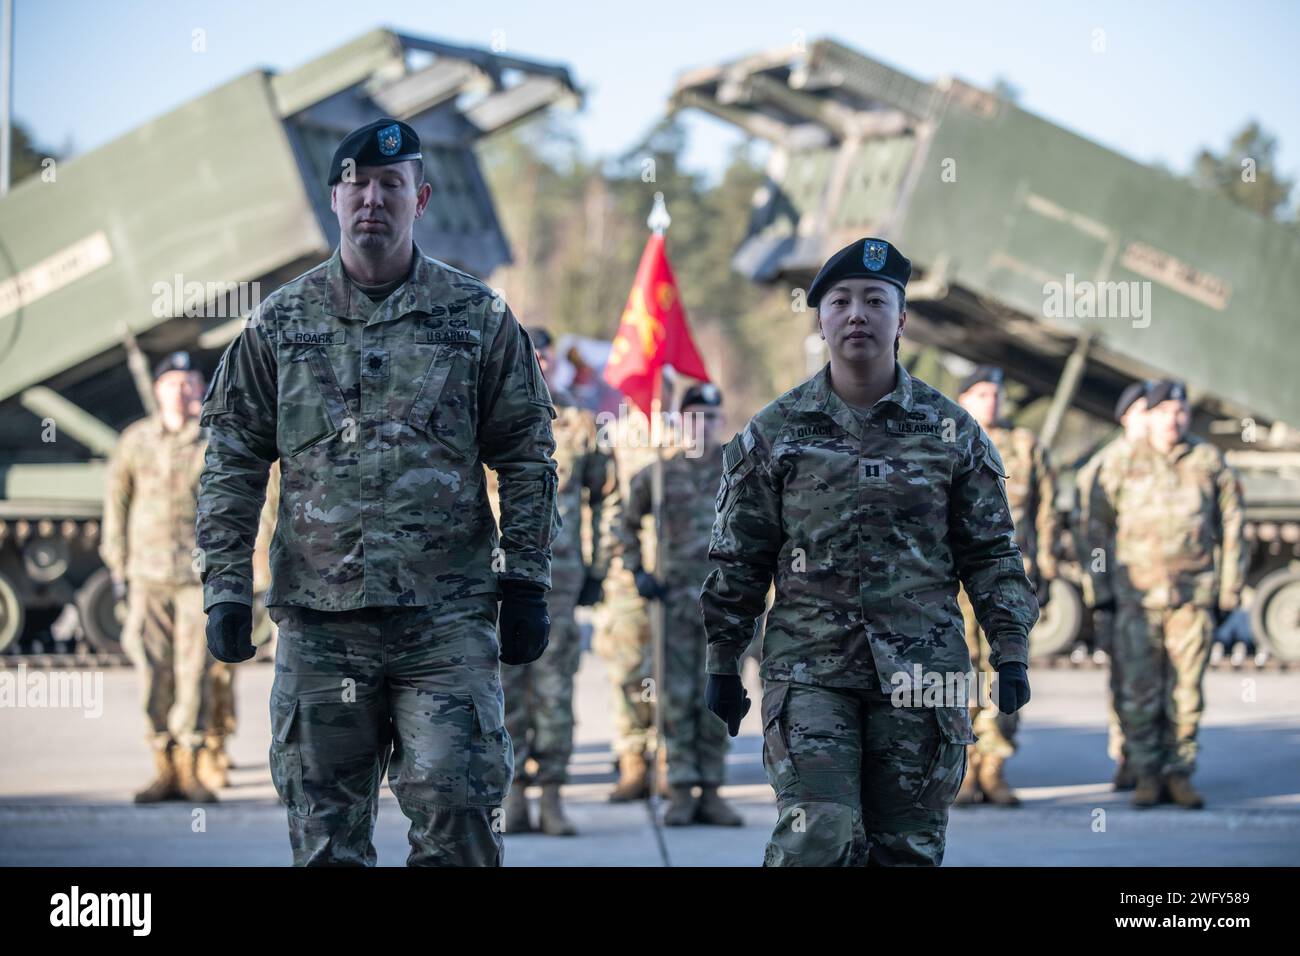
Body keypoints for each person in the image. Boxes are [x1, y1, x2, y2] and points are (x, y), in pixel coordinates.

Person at [196, 118, 559, 866]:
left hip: (446, 621)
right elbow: (232, 459)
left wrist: (527, 580)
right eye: (357, 184)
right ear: (333, 197)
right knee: (325, 836)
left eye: (391, 184)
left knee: (459, 819)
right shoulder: (280, 322)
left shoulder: (477, 317)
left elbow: (527, 454)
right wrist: (224, 587)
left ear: (420, 199)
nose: (372, 199)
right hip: (320, 624)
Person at [701, 237, 1038, 866]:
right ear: (821, 319)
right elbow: (740, 558)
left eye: (875, 301)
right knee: (818, 834)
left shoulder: (951, 431)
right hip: (810, 670)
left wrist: (1010, 649)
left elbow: (991, 554)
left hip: (922, 675)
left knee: (905, 850)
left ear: (902, 318)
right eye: (841, 302)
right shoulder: (777, 432)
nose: (857, 314)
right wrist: (723, 659)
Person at [1086, 380, 1245, 809]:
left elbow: (1232, 527)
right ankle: (1145, 773)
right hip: (1135, 600)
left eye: (1180, 412)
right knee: (1139, 692)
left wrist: (1228, 591)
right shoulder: (1120, 462)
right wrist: (1101, 591)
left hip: (1192, 599)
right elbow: (1095, 532)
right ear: (1150, 417)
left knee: (1186, 693)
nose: (1174, 420)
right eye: (1164, 412)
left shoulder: (1207, 461)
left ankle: (1179, 772)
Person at [500, 326, 616, 836]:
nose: (538, 363)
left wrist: (598, 566)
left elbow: (607, 495)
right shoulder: (487, 414)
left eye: (544, 355)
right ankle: (512, 795)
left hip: (559, 580)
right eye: (529, 355)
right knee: (502, 689)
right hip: (495, 579)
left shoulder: (580, 420)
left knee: (554, 688)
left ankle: (551, 794)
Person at [612, 383, 744, 827]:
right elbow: (624, 523)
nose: (701, 426)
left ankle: (713, 789)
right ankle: (682, 787)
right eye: (693, 417)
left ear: (720, 422)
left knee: (720, 694)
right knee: (675, 696)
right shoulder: (659, 475)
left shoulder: (741, 471)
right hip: (674, 604)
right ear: (680, 422)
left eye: (710, 418)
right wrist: (639, 571)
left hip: (726, 605)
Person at [101, 350, 216, 804]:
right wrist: (117, 563)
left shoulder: (211, 441)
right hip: (146, 575)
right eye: (174, 385)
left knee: (195, 670)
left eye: (190, 384)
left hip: (196, 577)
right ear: (157, 391)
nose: (182, 392)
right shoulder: (136, 441)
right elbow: (117, 502)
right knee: (152, 670)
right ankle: (162, 763)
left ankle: (190, 766)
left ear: (201, 390)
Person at [953, 366, 1058, 806]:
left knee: (1005, 669)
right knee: (959, 670)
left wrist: (1045, 569)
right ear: (963, 399)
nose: (990, 401)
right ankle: (962, 766)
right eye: (980, 393)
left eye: (995, 393)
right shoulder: (947, 439)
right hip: (957, 583)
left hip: (1009, 578)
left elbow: (1046, 512)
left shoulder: (1026, 446)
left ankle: (993, 766)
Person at [1075, 381, 1147, 790]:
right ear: (1125, 418)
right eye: (1142, 412)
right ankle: (1127, 754)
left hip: (1162, 593)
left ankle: (1156, 761)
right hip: (1120, 593)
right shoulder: (1105, 466)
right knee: (1125, 678)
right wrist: (1099, 591)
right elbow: (1092, 535)